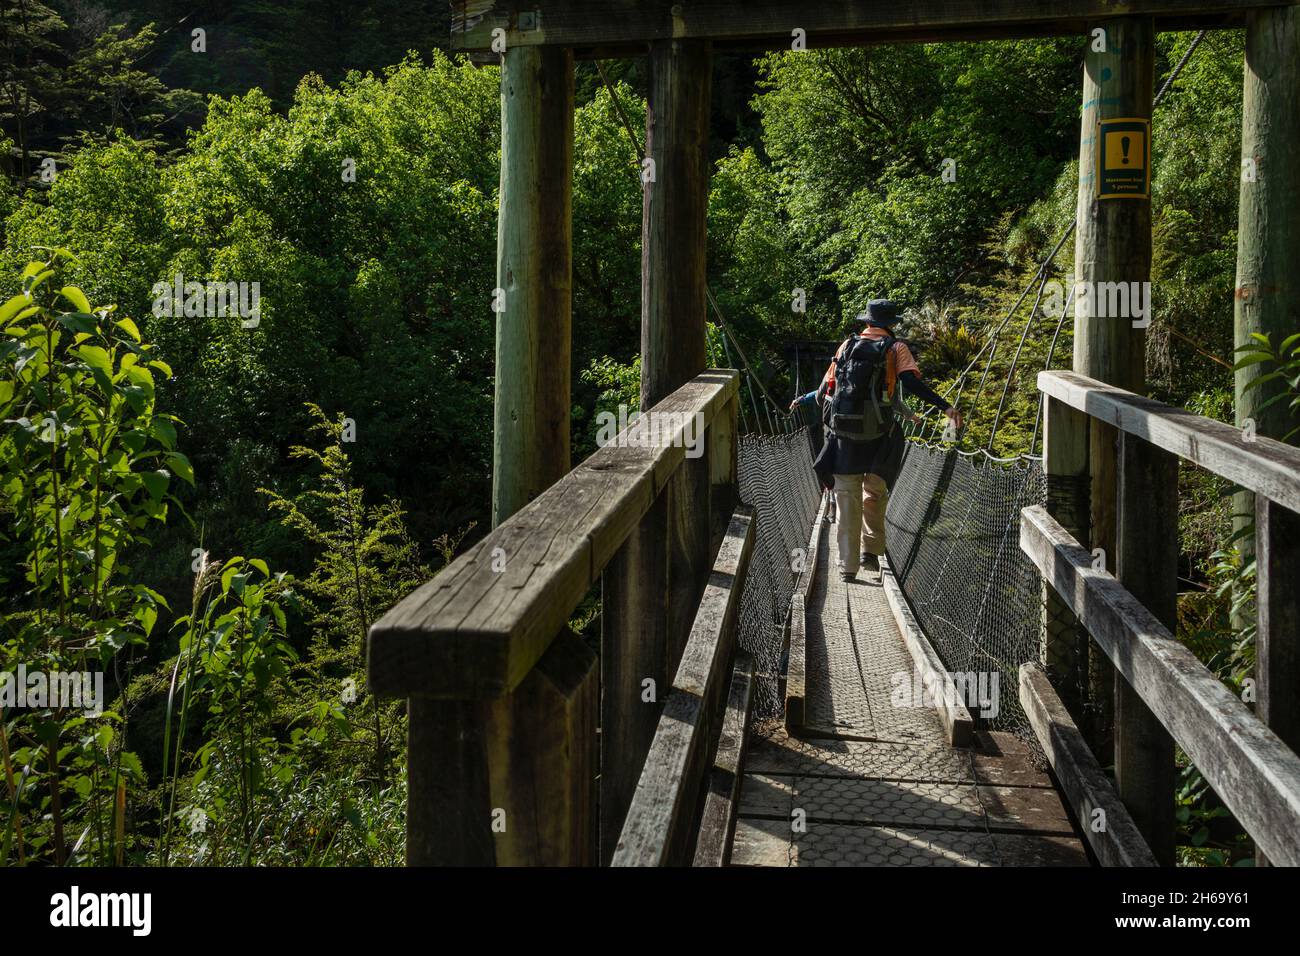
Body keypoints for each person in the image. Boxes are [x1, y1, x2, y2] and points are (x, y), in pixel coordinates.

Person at [790, 299, 962, 581]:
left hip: (844, 439)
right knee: (875, 494)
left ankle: (847, 567)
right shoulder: (897, 348)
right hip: (881, 437)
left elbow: (825, 390)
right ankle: (870, 552)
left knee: (847, 501)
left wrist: (807, 401)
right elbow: (912, 383)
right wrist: (945, 407)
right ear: (891, 323)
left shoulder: (846, 346)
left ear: (867, 322)